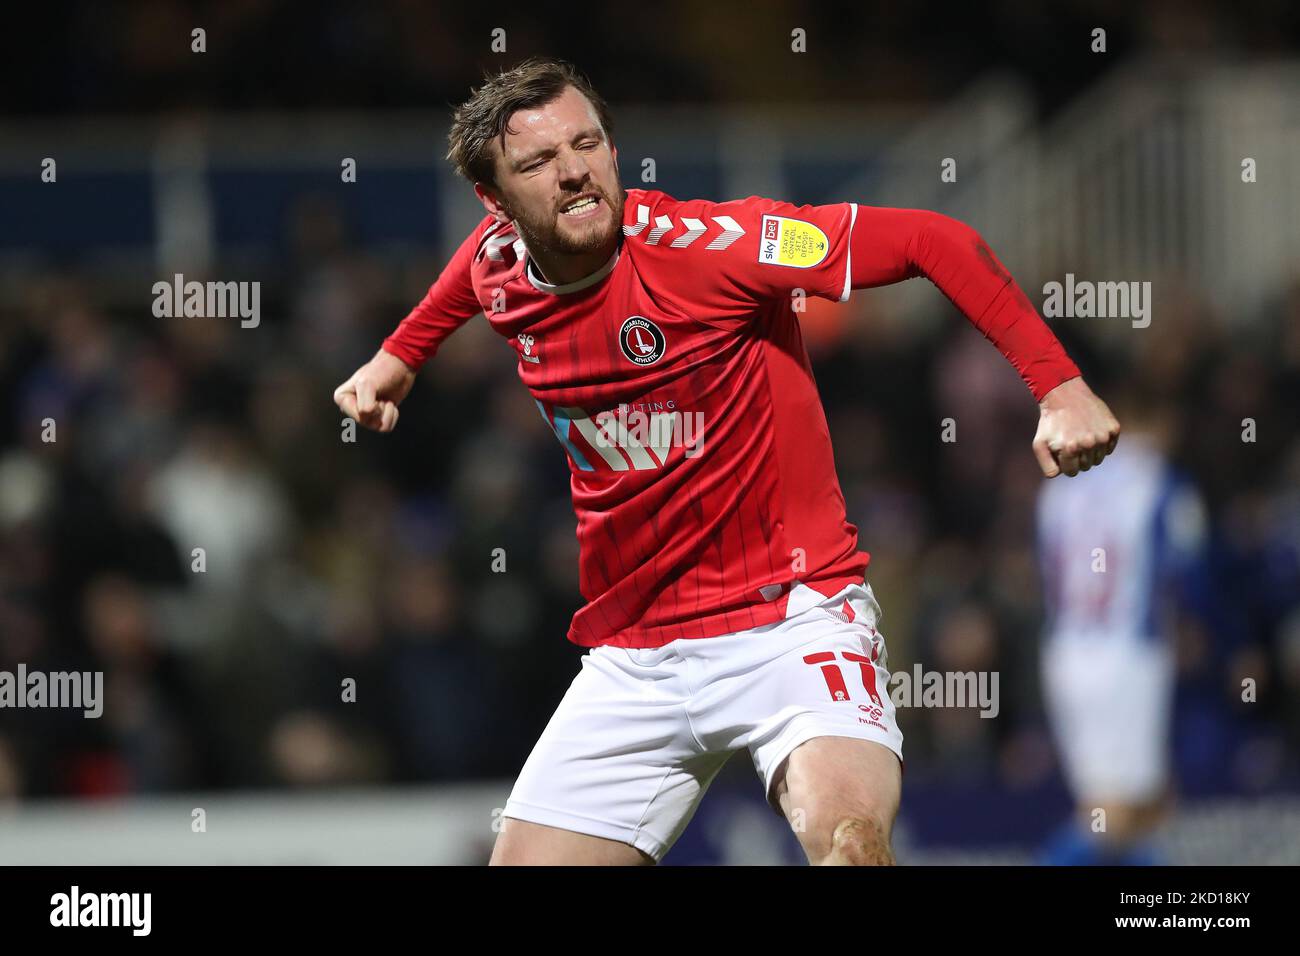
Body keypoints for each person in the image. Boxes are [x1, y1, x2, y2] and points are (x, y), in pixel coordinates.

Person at [333, 57, 1120, 865]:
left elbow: (931, 238)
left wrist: (1058, 388)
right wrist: (399, 357)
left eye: (588, 143)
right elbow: (469, 276)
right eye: (538, 162)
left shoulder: (718, 248)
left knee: (849, 845)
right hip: (634, 654)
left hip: (791, 619)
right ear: (497, 202)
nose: (573, 172)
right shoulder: (500, 264)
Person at [1037, 389, 1207, 865]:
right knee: (1121, 814)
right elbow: (1189, 572)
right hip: (1130, 654)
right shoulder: (1160, 482)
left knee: (1125, 809)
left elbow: (1046, 572)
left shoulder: (1060, 485)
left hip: (1067, 653)